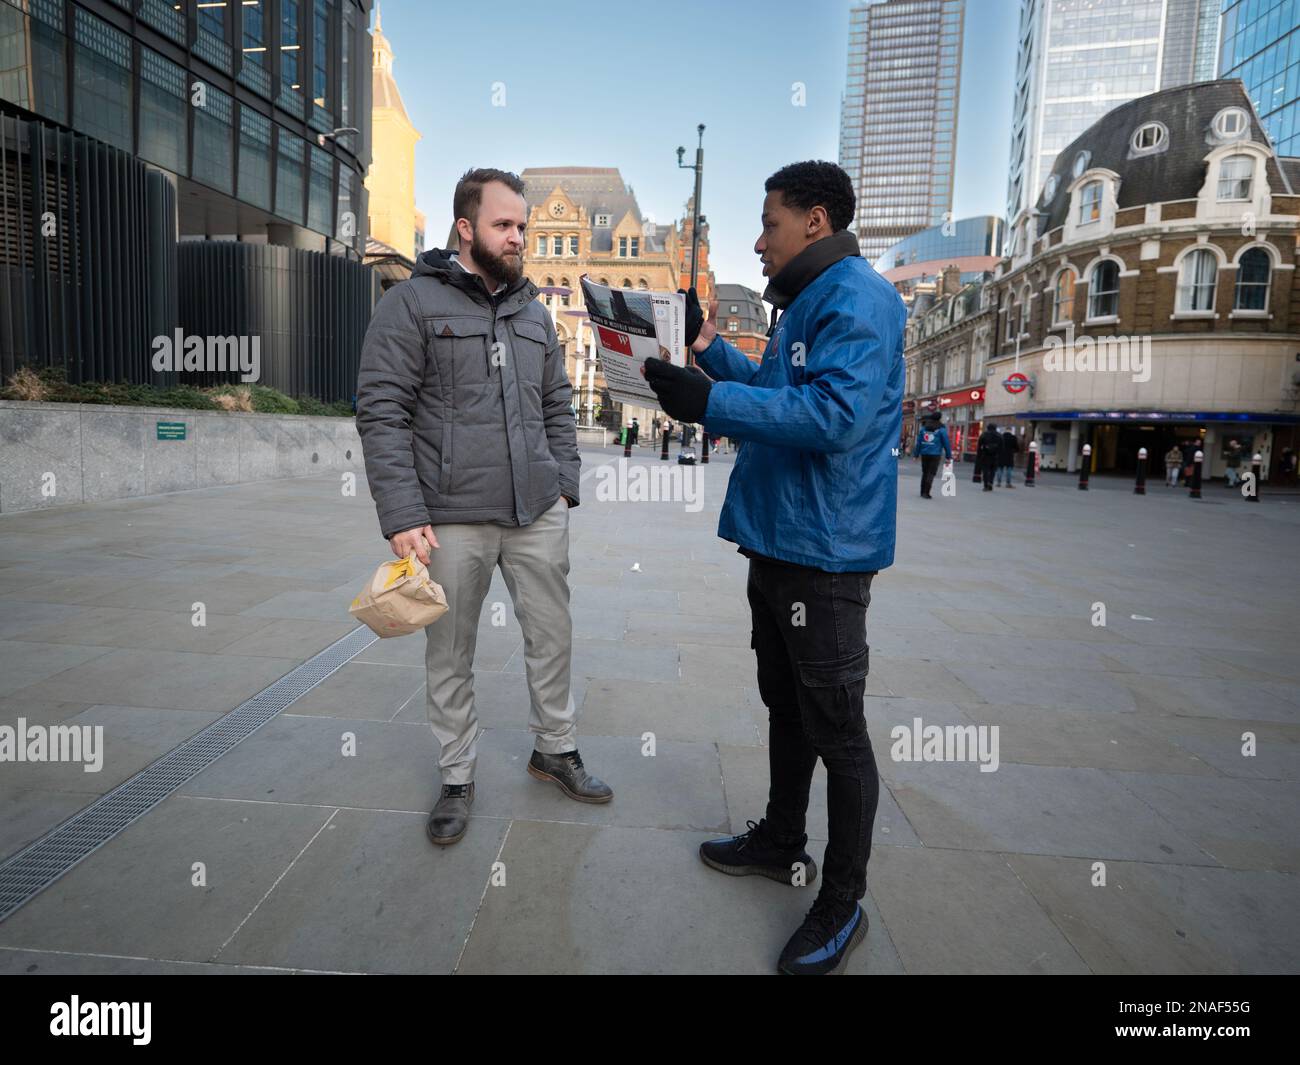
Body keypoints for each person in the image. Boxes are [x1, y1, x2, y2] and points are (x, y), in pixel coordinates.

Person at [643, 159, 903, 976]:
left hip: (823, 555)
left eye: (770, 223)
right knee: (786, 707)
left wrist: (708, 404)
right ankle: (783, 838)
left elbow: (833, 413)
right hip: (780, 541)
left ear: (816, 220)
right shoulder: (809, 300)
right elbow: (777, 387)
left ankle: (843, 898)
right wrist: (712, 353)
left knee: (838, 729)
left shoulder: (859, 298)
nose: (758, 243)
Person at [355, 167, 612, 850]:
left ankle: (555, 749)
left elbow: (557, 404)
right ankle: (458, 776)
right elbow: (382, 411)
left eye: (523, 225)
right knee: (452, 651)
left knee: (552, 636)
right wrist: (402, 513)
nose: (518, 236)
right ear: (465, 228)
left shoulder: (534, 313)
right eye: (505, 225)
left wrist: (565, 483)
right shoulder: (410, 304)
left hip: (535, 511)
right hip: (451, 517)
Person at [910, 410, 951, 498]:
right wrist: (948, 456)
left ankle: (922, 491)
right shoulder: (941, 429)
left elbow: (919, 443)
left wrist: (916, 455)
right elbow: (946, 443)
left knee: (925, 472)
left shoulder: (924, 428)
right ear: (940, 418)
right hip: (935, 454)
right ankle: (926, 492)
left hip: (924, 454)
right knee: (931, 473)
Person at [977, 422, 1002, 491]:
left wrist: (979, 456)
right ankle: (990, 482)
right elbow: (1002, 447)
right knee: (992, 471)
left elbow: (979, 446)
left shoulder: (984, 435)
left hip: (985, 455)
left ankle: (986, 485)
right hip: (995, 456)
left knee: (985, 471)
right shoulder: (999, 436)